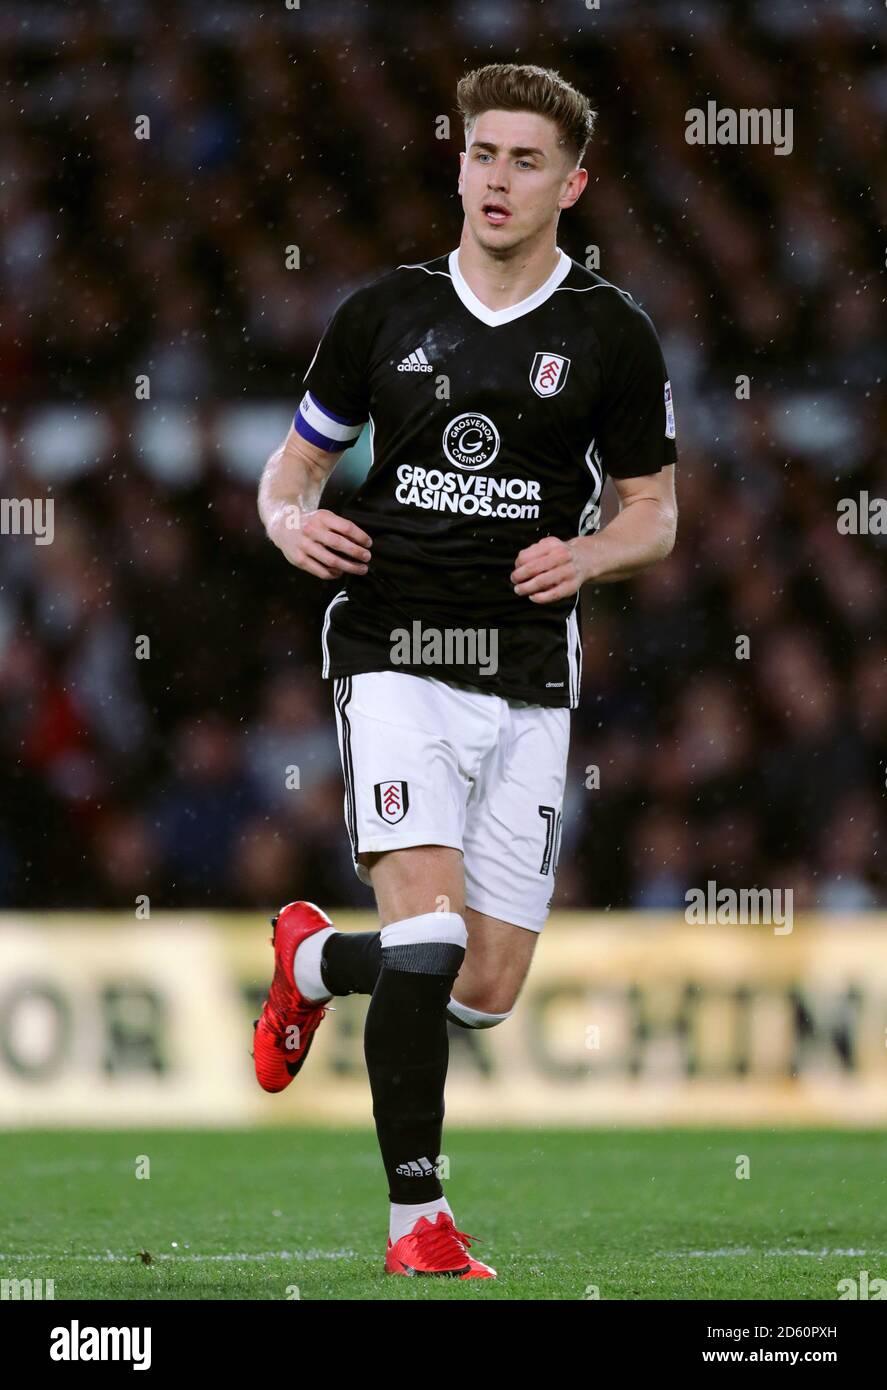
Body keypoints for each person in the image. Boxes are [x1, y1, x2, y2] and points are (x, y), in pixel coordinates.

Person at [254, 63, 678, 1279]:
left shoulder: (608, 333)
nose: (497, 179)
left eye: (525, 161)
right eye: (481, 154)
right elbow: (287, 473)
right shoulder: (380, 315)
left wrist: (590, 554)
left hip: (528, 674)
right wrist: (291, 526)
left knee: (480, 989)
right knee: (431, 931)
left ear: (572, 183)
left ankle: (312, 962)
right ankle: (417, 1224)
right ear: (456, 164)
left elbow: (654, 513)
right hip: (391, 654)